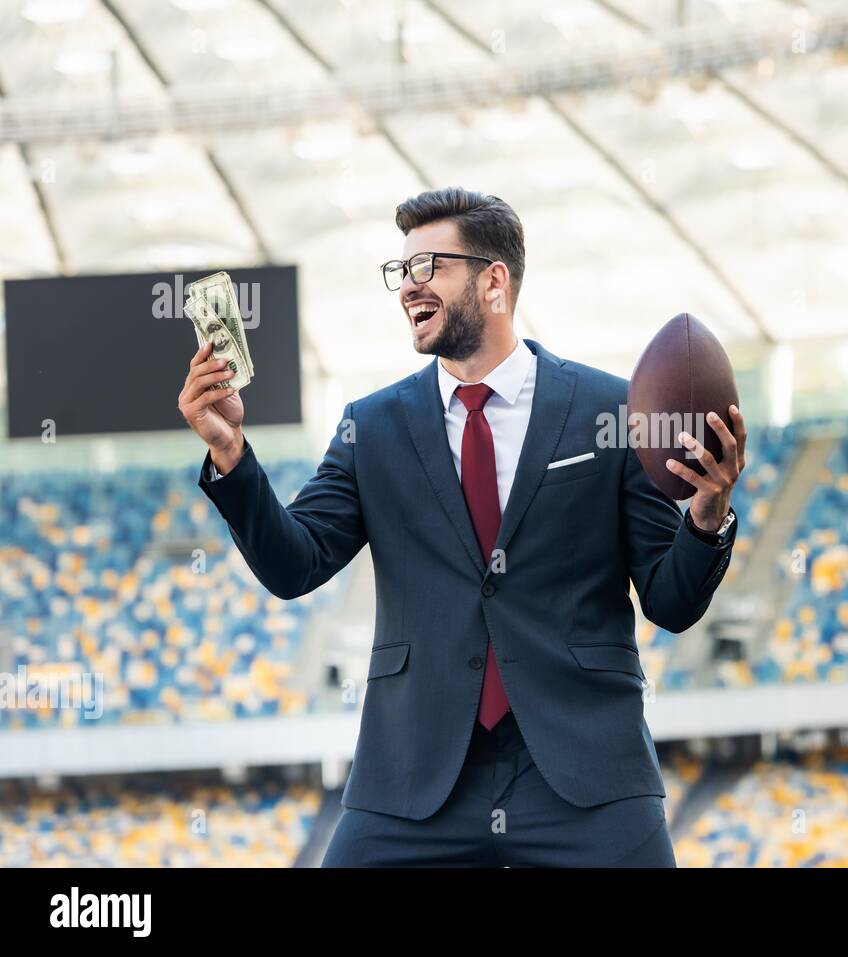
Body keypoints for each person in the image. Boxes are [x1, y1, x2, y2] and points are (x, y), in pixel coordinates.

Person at [176, 186, 744, 866]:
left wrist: (707, 518)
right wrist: (230, 455)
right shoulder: (372, 425)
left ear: (494, 280)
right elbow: (295, 564)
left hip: (586, 772)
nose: (408, 288)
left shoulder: (610, 410)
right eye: (402, 271)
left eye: (429, 267)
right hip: (415, 776)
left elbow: (671, 601)